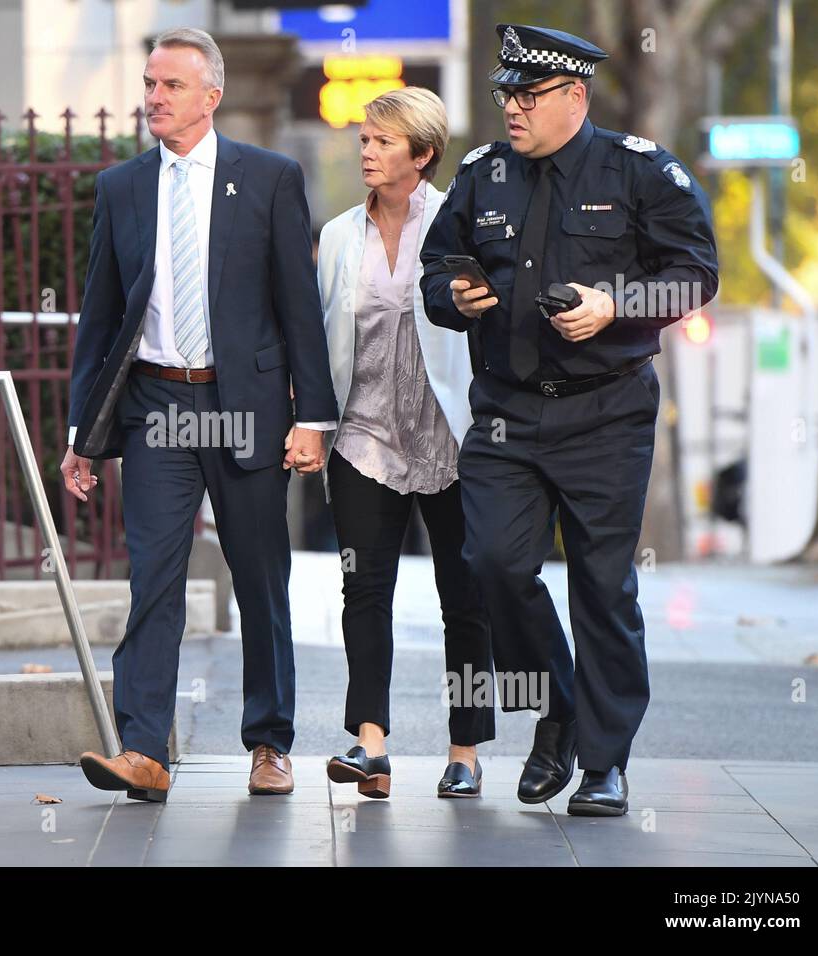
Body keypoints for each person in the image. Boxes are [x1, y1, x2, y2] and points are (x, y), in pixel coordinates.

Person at [419, 24, 719, 816]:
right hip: (507, 414)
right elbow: (437, 267)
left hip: (606, 413)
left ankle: (604, 764)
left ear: (573, 96)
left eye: (527, 95)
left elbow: (695, 278)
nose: (511, 108)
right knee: (491, 562)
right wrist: (454, 295)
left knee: (602, 587)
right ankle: (561, 708)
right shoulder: (483, 174)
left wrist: (616, 307)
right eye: (504, 94)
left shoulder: (640, 170)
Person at [62, 27, 338, 802]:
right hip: (157, 403)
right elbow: (100, 317)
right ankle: (144, 749)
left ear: (211, 96)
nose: (154, 97)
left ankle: (269, 742)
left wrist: (311, 417)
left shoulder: (271, 179)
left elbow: (298, 307)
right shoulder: (121, 187)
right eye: (150, 84)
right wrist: (83, 433)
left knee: (260, 577)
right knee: (153, 576)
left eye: (171, 86)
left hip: (242, 402)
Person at [316, 87, 494, 799]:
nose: (367, 150)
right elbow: (318, 335)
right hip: (364, 438)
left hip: (452, 441)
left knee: (466, 598)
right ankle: (370, 747)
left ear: (421, 155)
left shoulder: (460, 227)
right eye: (364, 138)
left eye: (383, 141)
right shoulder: (336, 237)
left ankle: (465, 751)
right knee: (365, 590)